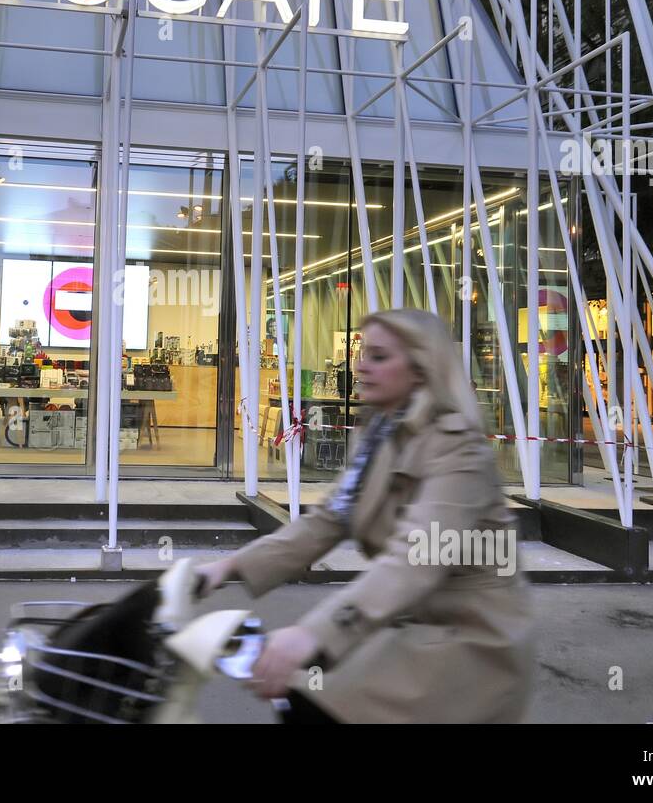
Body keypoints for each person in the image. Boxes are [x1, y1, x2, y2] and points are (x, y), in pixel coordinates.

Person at [196, 309, 534, 723]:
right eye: (362, 353)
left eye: (378, 356)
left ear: (419, 368)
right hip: (417, 627)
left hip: (473, 643)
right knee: (317, 701)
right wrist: (226, 567)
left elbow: (416, 557)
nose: (360, 365)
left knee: (317, 707)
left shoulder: (457, 449)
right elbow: (326, 522)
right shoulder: (378, 437)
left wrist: (311, 634)